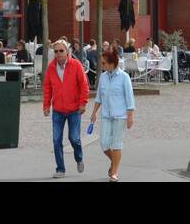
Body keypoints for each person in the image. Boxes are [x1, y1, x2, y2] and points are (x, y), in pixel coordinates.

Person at [42, 38, 90, 177]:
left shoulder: (76, 65)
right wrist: (46, 105)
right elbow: (47, 88)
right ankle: (60, 169)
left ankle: (79, 158)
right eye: (55, 51)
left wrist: (83, 103)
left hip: (74, 109)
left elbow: (84, 85)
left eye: (61, 51)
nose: (58, 53)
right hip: (58, 110)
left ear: (67, 51)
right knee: (56, 140)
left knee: (74, 138)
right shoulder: (51, 67)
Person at [90, 48, 136, 181]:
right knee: (104, 143)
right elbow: (99, 97)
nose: (101, 65)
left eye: (104, 63)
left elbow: (130, 99)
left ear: (112, 63)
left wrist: (130, 116)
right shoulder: (103, 77)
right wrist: (94, 113)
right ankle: (114, 161)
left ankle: (114, 172)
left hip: (120, 116)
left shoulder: (124, 77)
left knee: (116, 143)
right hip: (106, 115)